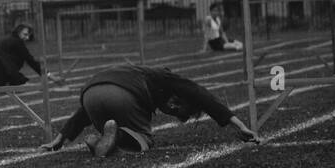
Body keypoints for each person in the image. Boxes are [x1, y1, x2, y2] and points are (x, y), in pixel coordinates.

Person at [44, 64, 258, 156]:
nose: (172, 111)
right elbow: (203, 95)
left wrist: (61, 138)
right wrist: (239, 125)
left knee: (114, 124)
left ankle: (103, 141)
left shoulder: (137, 71)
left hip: (89, 96)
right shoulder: (165, 77)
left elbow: (82, 114)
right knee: (146, 139)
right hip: (123, 94)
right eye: (177, 110)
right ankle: (117, 137)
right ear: (178, 99)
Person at [0, 20, 48, 87]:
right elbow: (30, 60)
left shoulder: (8, 40)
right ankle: (3, 85)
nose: (27, 38)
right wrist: (47, 74)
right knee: (18, 78)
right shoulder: (16, 42)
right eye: (25, 34)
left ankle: (1, 84)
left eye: (28, 35)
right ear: (18, 32)